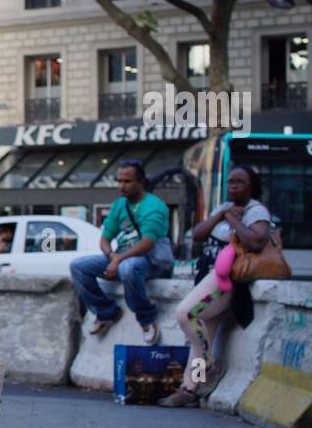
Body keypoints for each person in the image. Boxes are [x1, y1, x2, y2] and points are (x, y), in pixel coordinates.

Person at [158, 166, 271, 408]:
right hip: (208, 273)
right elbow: (198, 234)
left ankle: (208, 363)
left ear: (251, 186)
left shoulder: (256, 211)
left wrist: (231, 219)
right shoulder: (224, 207)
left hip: (226, 279)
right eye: (230, 181)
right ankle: (190, 387)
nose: (233, 186)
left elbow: (257, 241)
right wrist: (222, 215)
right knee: (202, 333)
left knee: (186, 314)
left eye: (240, 182)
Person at [69, 159, 174, 344]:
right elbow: (105, 238)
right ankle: (106, 311)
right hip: (122, 257)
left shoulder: (154, 206)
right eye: (119, 181)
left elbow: (148, 242)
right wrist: (111, 256)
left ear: (141, 182)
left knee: (128, 268)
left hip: (150, 260)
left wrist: (117, 260)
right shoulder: (119, 205)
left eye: (127, 181)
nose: (121, 186)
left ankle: (146, 319)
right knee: (78, 266)